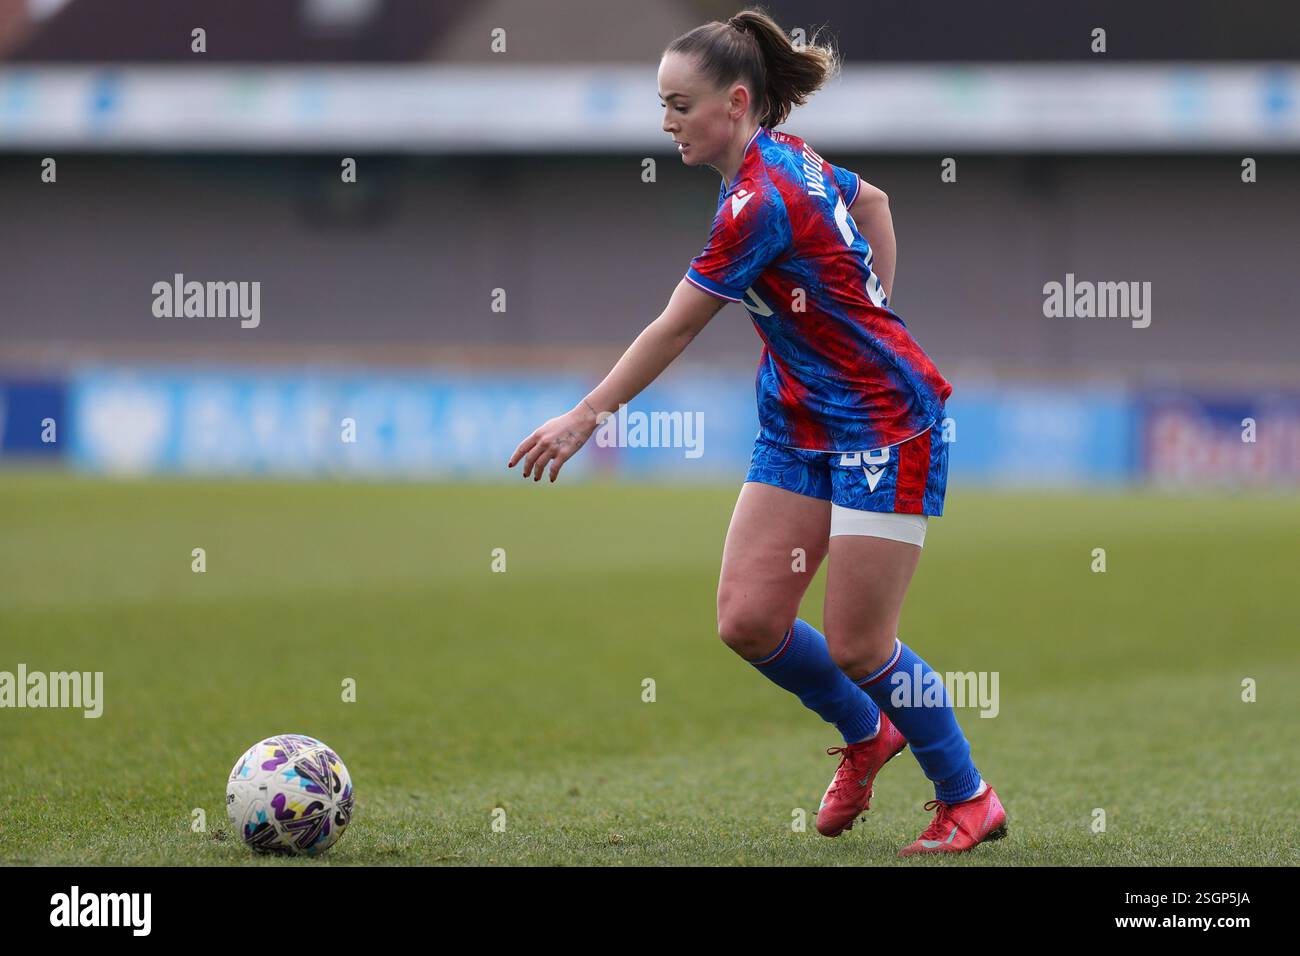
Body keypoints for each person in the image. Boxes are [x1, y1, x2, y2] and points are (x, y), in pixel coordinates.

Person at [507, 8, 1006, 856]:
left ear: (735, 102)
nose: (666, 122)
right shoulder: (786, 158)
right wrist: (871, 305)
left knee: (859, 644)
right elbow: (874, 200)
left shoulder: (756, 200)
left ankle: (969, 799)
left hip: (885, 423)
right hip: (796, 417)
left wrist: (586, 415)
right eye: (661, 104)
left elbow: (675, 327)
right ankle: (867, 734)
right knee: (747, 619)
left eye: (679, 104)